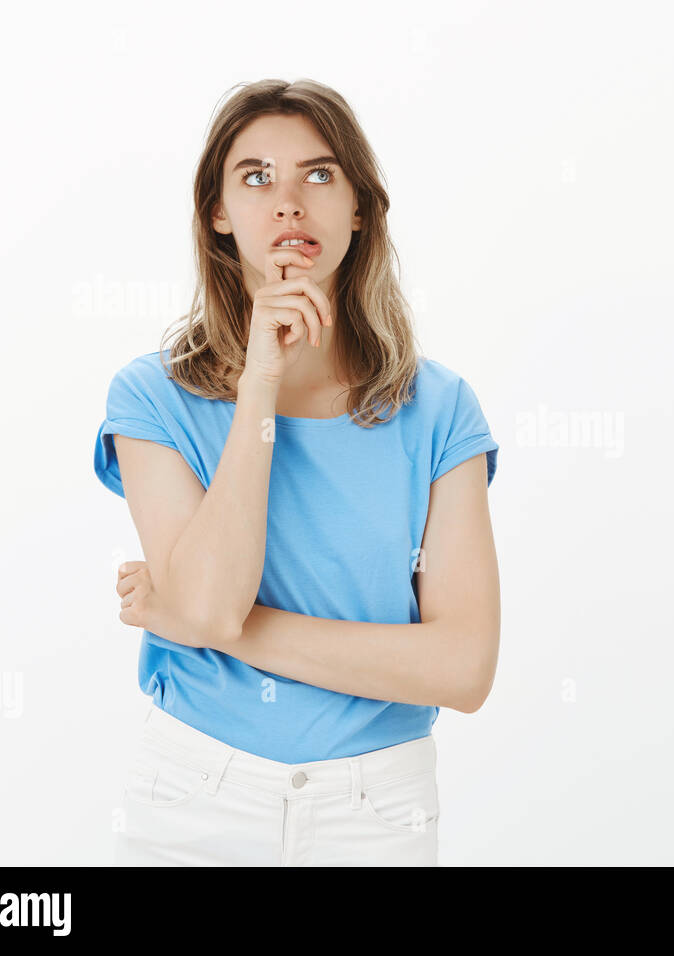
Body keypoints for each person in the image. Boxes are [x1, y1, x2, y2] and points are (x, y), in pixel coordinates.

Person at [92, 78, 500, 866]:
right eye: (255, 178)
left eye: (318, 175)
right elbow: (209, 609)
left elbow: (463, 668)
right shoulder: (151, 397)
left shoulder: (440, 408)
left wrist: (199, 622)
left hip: (377, 808)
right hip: (197, 798)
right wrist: (259, 386)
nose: (287, 204)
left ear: (359, 208)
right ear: (217, 213)